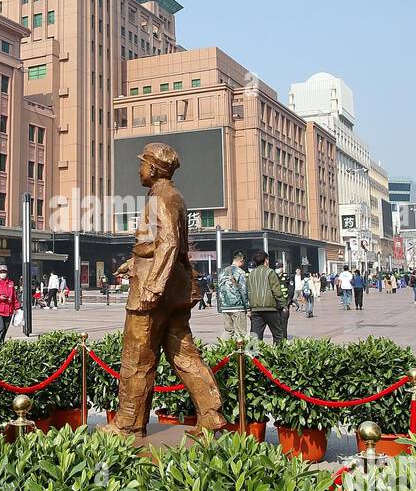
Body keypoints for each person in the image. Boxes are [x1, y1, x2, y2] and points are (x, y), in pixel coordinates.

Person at [112, 142, 226, 436]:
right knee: (184, 354)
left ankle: (129, 425)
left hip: (154, 294)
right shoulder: (173, 196)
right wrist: (133, 262)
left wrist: (152, 286)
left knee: (137, 357)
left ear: (152, 168)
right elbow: (159, 244)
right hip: (173, 290)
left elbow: (170, 244)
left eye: (141, 164)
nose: (138, 170)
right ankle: (212, 416)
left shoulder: (160, 198)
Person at [247, 251, 289, 343]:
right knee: (278, 334)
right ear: (266, 260)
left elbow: (248, 292)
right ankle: (279, 355)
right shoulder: (270, 272)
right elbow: (276, 291)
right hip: (270, 309)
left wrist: (249, 309)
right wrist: (283, 305)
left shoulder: (251, 274)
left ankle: (253, 356)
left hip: (256, 310)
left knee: (255, 337)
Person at [215, 251, 249, 337]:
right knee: (241, 332)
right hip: (238, 306)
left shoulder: (222, 272)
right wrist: (247, 307)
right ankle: (240, 349)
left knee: (228, 331)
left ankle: (223, 349)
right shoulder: (240, 272)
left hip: (225, 306)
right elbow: (243, 291)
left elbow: (219, 289)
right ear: (241, 260)